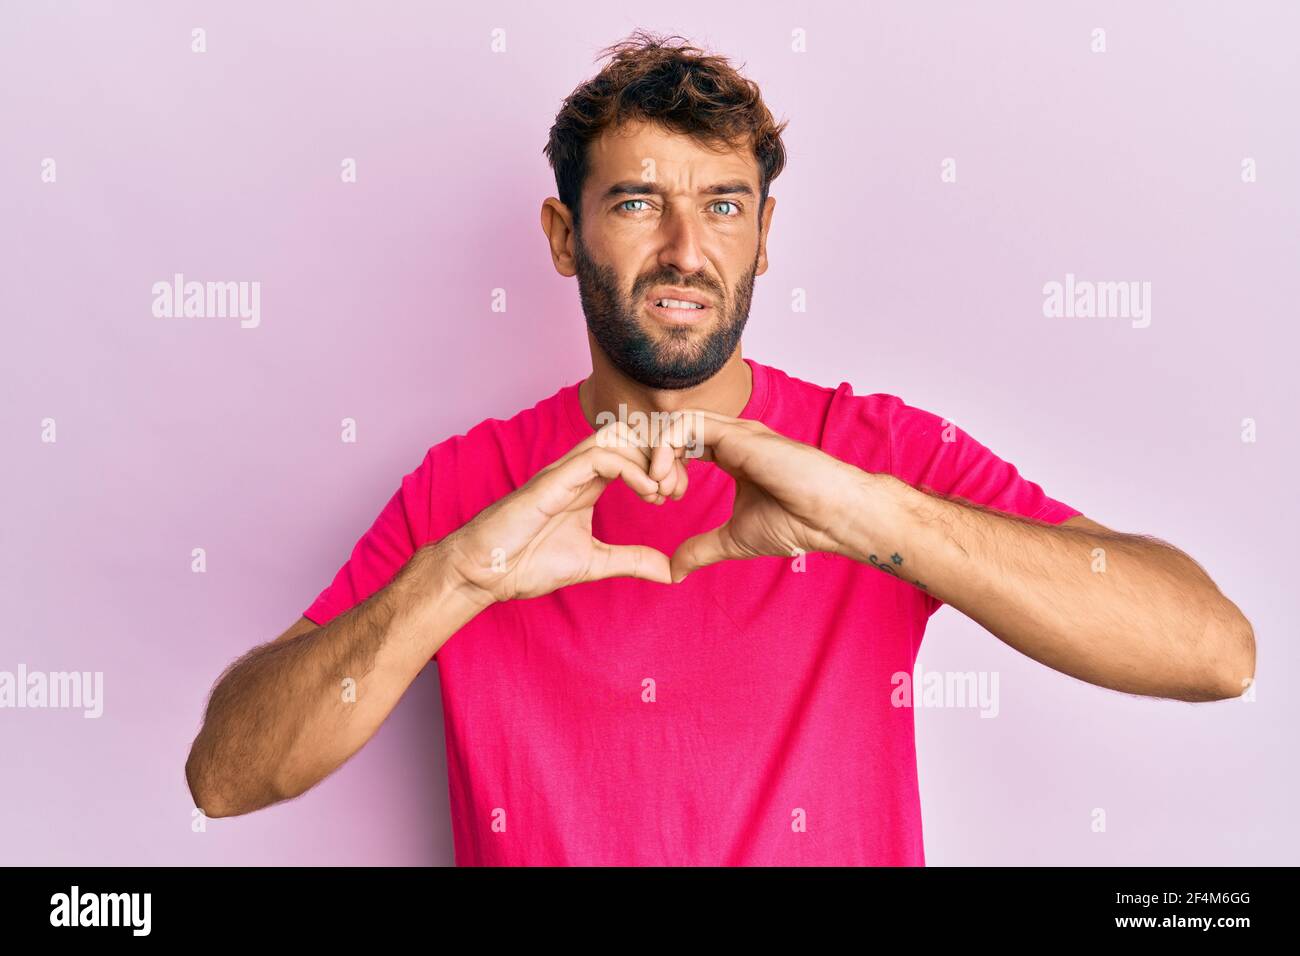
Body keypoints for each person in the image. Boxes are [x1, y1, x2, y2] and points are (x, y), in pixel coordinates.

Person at [184, 31, 1255, 866]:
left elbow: (1210, 651)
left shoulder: (876, 451)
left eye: (723, 205)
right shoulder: (466, 489)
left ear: (764, 235)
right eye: (639, 203)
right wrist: (459, 574)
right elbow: (227, 774)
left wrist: (875, 519)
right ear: (564, 237)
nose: (685, 250)